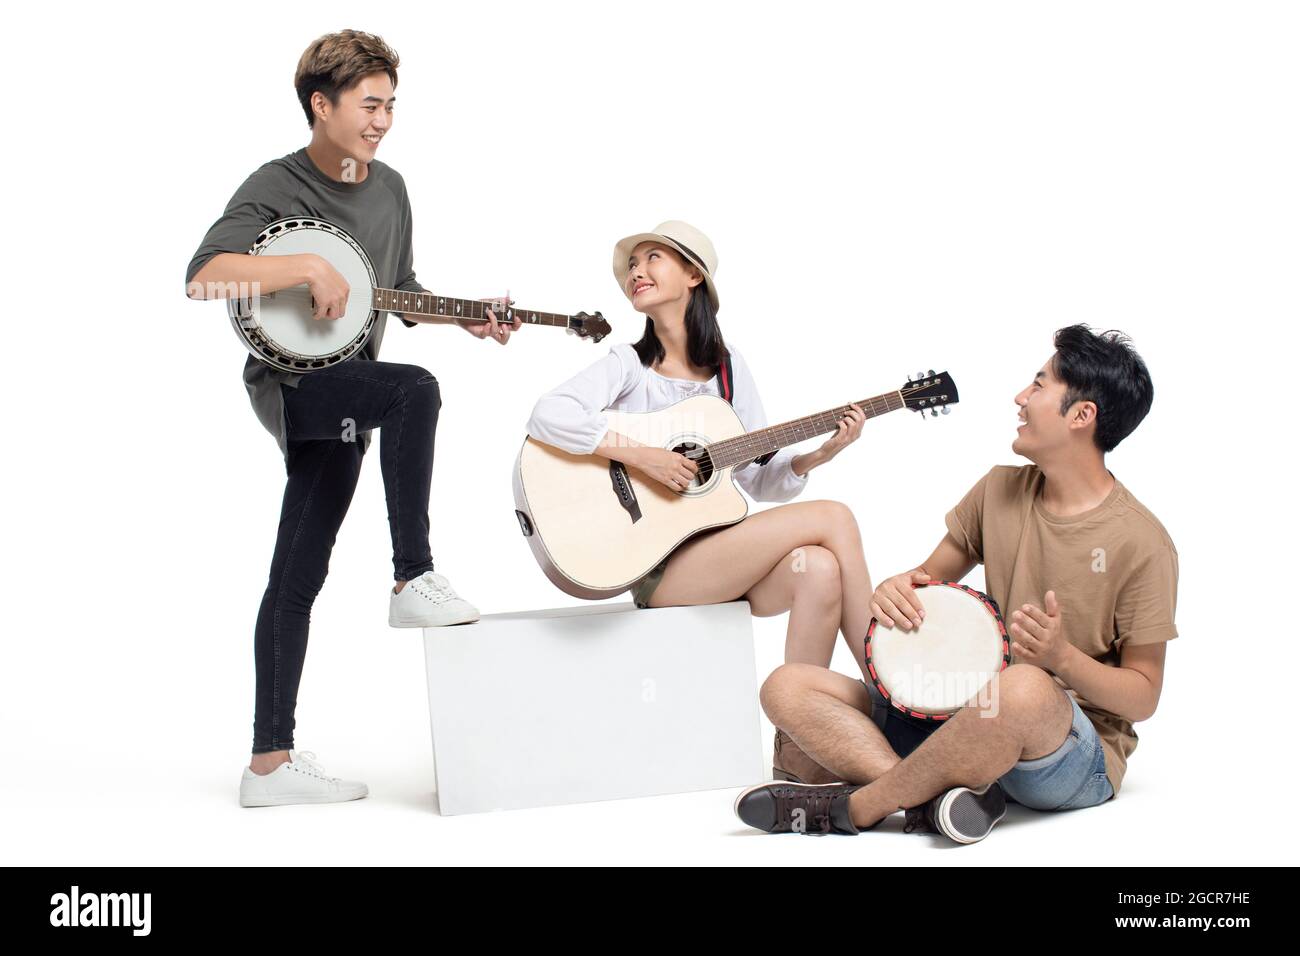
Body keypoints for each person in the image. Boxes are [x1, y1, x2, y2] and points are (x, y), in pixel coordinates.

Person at [184, 30, 521, 807]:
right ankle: (413, 575)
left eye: (391, 105)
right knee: (416, 390)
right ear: (321, 104)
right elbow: (204, 275)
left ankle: (268, 764)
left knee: (297, 573)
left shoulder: (391, 188)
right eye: (370, 105)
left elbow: (395, 290)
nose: (382, 120)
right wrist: (303, 265)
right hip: (298, 382)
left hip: (355, 385)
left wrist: (465, 315)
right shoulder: (276, 183)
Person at [735, 325, 1178, 843]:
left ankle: (858, 807)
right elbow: (926, 589)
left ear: (1082, 416)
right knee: (787, 685)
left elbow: (1143, 698)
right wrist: (895, 591)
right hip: (962, 717)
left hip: (1063, 752)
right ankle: (942, 799)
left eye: (1039, 386)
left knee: (1026, 687)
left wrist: (1062, 659)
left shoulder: (1142, 541)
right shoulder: (998, 490)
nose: (1021, 397)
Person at [525, 221, 872, 778]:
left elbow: (760, 479)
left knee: (822, 568)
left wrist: (816, 457)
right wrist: (645, 456)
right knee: (834, 517)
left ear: (693, 276)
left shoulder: (729, 371)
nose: (637, 271)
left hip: (725, 561)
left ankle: (799, 743)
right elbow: (549, 414)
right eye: (632, 264)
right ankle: (888, 687)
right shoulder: (627, 365)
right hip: (662, 570)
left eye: (653, 258)